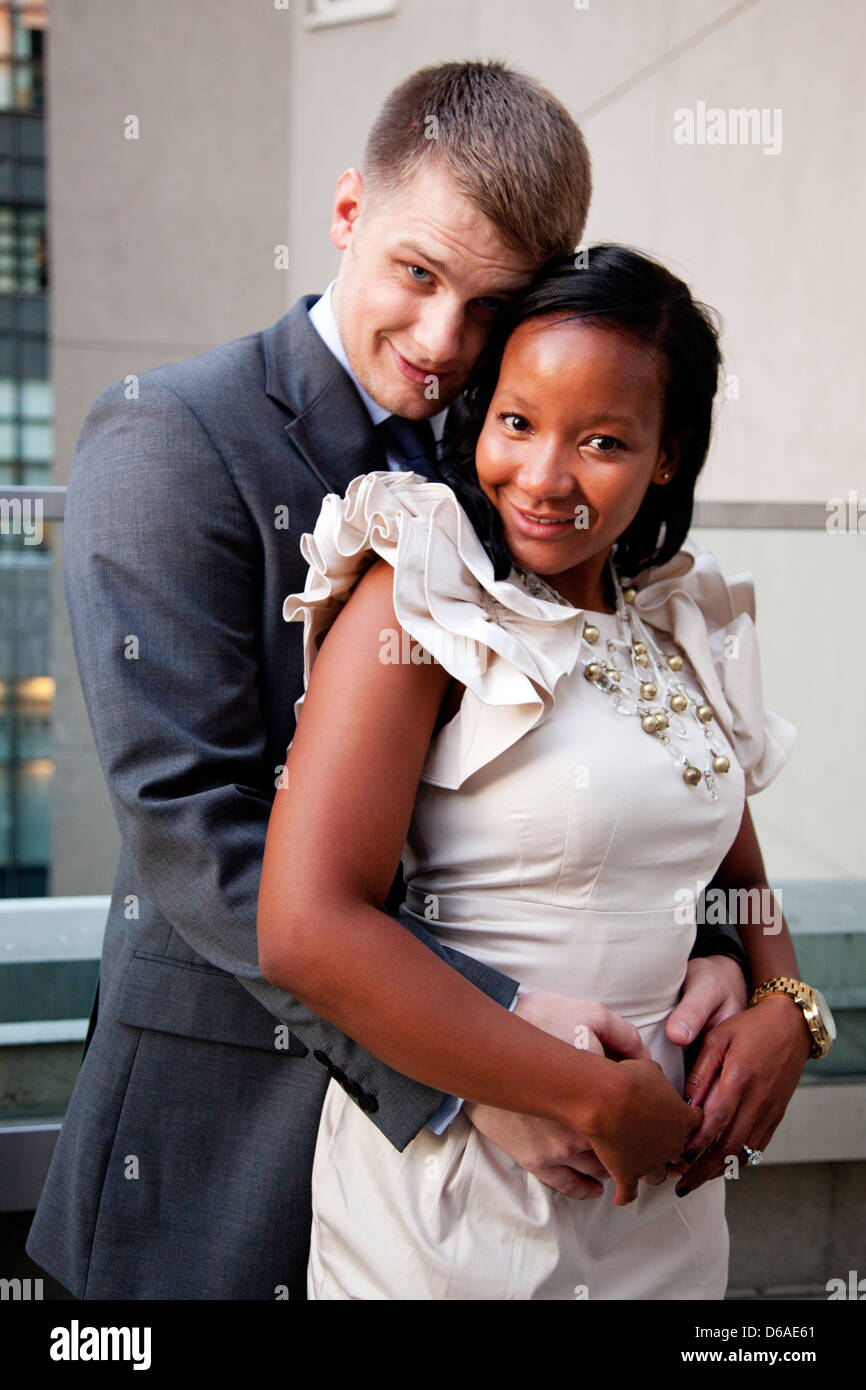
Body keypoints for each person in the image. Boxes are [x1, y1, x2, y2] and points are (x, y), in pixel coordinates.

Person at [27, 61, 800, 1302]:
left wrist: (746, 973)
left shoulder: (517, 472)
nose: (442, 343)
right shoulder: (172, 437)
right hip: (233, 1127)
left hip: (545, 1194)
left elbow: (618, 768)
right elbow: (194, 830)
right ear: (347, 215)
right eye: (416, 273)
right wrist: (479, 1063)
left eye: (487, 306)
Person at [257, 245, 824, 1301]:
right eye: (516, 423)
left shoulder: (675, 621)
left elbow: (729, 860)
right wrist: (585, 1094)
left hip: (668, 1193)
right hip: (464, 1201)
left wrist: (784, 1000)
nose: (544, 476)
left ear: (665, 456)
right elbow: (304, 926)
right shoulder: (419, 599)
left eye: (602, 440)